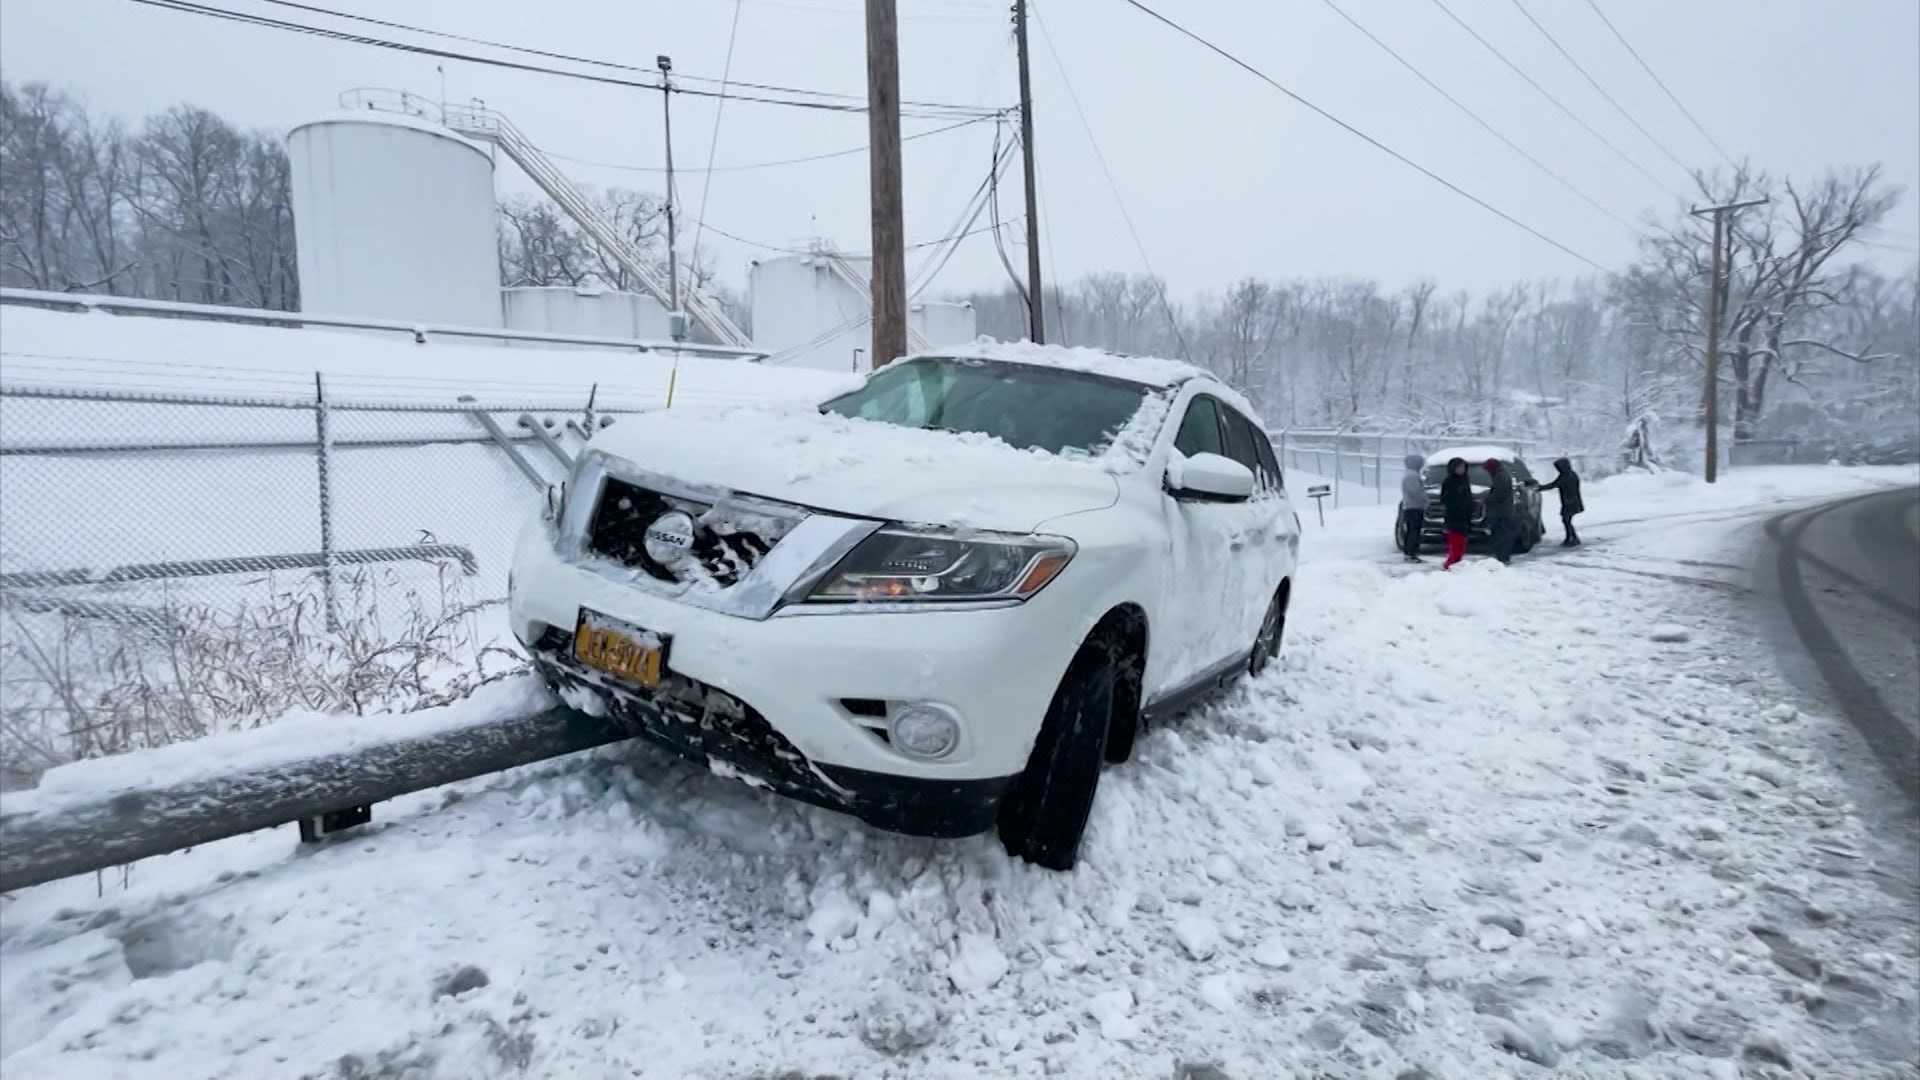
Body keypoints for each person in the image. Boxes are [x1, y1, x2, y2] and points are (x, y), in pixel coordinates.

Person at [1536, 457, 1584, 546]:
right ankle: (1571, 538)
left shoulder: (1567, 476)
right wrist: (1541, 487)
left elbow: (1554, 484)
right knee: (1566, 520)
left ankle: (1573, 538)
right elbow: (1555, 483)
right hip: (1570, 501)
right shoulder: (1568, 474)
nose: (1558, 469)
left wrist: (1540, 488)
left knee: (1566, 520)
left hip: (1571, 502)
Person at [1439, 456, 1473, 570]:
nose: (1461, 470)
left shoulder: (1465, 480)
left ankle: (1457, 564)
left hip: (1465, 517)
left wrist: (1469, 508)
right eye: (1459, 467)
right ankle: (1450, 565)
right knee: (1455, 544)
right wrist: (1457, 504)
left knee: (1462, 544)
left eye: (1463, 467)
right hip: (1454, 517)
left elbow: (1468, 497)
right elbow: (1444, 499)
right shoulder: (1449, 481)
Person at [1483, 457, 1516, 565]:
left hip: (1502, 511)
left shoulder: (1501, 476)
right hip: (1502, 510)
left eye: (1487, 469)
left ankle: (1503, 557)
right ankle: (1502, 556)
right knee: (1501, 534)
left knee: (1502, 534)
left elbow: (1499, 493)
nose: (1487, 472)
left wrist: (1488, 499)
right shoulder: (1501, 473)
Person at [1397, 452, 1429, 562]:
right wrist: (1425, 500)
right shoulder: (1412, 476)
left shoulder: (1410, 475)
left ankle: (1409, 553)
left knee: (1411, 530)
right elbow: (1416, 491)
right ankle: (1411, 553)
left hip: (1411, 506)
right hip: (1414, 507)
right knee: (1413, 531)